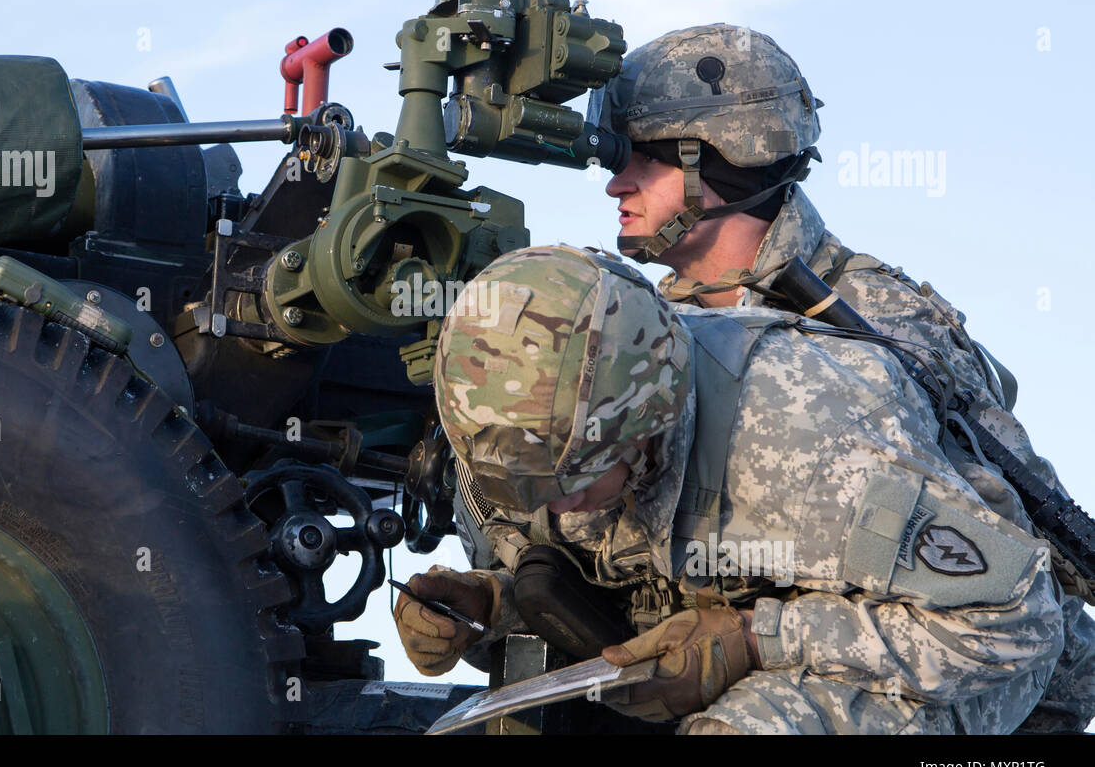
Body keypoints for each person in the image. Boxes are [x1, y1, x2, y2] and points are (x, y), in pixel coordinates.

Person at [585, 23, 1095, 732]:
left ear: (722, 164)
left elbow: (1010, 552)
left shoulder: (875, 323)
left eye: (644, 160)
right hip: (741, 660)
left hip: (948, 671)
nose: (616, 182)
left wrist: (762, 637)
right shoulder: (650, 332)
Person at [398, 243, 1063, 734]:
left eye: (569, 482)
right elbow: (629, 565)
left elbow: (1019, 623)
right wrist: (492, 606)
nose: (556, 506)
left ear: (645, 424)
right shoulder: (567, 440)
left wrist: (756, 638)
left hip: (978, 664)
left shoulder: (809, 444)